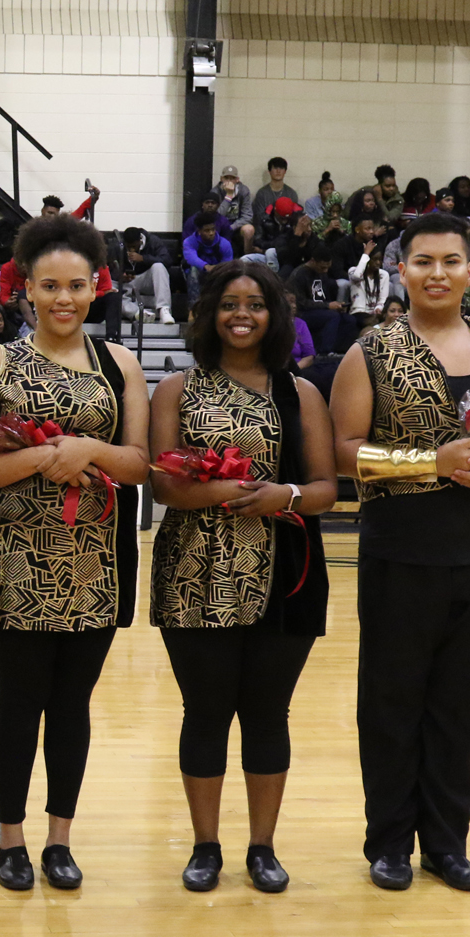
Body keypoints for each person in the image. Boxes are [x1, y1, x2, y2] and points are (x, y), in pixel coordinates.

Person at [329, 212, 470, 892]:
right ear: (401, 270)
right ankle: (390, 842)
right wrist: (432, 461)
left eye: (450, 261)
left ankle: (447, 843)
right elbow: (343, 454)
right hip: (401, 554)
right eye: (423, 261)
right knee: (393, 704)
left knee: (463, 705)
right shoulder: (370, 351)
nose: (437, 273)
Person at [0, 215, 150, 891]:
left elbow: (137, 464)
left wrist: (89, 451)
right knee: (19, 701)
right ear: (27, 290)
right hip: (13, 559)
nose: (64, 297)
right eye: (50, 286)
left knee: (73, 706)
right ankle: (10, 839)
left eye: (76, 285)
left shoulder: (118, 363)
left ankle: (59, 839)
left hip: (94, 562)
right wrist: (45, 458)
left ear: (95, 287)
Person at [148, 261, 333, 893]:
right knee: (204, 711)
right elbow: (166, 484)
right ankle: (205, 846)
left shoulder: (301, 393)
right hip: (194, 569)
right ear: (208, 313)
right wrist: (230, 491)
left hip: (287, 571)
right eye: (229, 303)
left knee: (267, 713)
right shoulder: (176, 388)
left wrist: (280, 496)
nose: (242, 314)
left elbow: (326, 489)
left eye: (255, 303)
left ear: (274, 314)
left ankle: (263, 847)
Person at [286, 241, 353, 354]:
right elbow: (301, 303)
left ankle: (341, 351)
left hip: (320, 309)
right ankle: (324, 352)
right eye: (322, 267)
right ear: (313, 261)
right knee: (332, 316)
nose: (325, 271)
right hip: (303, 312)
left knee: (349, 319)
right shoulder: (299, 275)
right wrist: (327, 306)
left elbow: (323, 296)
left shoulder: (322, 273)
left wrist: (336, 305)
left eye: (327, 268)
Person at [120, 226, 176, 324]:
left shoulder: (153, 241)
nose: (132, 249)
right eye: (129, 247)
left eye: (134, 246)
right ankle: (138, 313)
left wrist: (143, 258)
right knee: (113, 291)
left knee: (158, 266)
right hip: (128, 282)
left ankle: (164, 309)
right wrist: (121, 276)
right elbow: (111, 267)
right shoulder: (119, 246)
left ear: (140, 241)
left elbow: (167, 260)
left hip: (145, 279)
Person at [182, 211, 234, 310]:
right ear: (199, 231)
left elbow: (228, 264)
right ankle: (194, 309)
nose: (211, 233)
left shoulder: (224, 244)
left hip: (218, 273)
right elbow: (191, 258)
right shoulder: (189, 242)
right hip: (198, 273)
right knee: (193, 270)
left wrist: (217, 269)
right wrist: (206, 266)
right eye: (207, 230)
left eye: (213, 229)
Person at [216, 165, 257, 253]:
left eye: (232, 178)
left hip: (237, 227)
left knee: (249, 229)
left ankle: (247, 259)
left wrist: (231, 227)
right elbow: (217, 216)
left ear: (237, 180)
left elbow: (247, 216)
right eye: (226, 178)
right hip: (220, 227)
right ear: (221, 179)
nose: (229, 181)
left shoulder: (243, 191)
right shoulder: (216, 192)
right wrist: (228, 196)